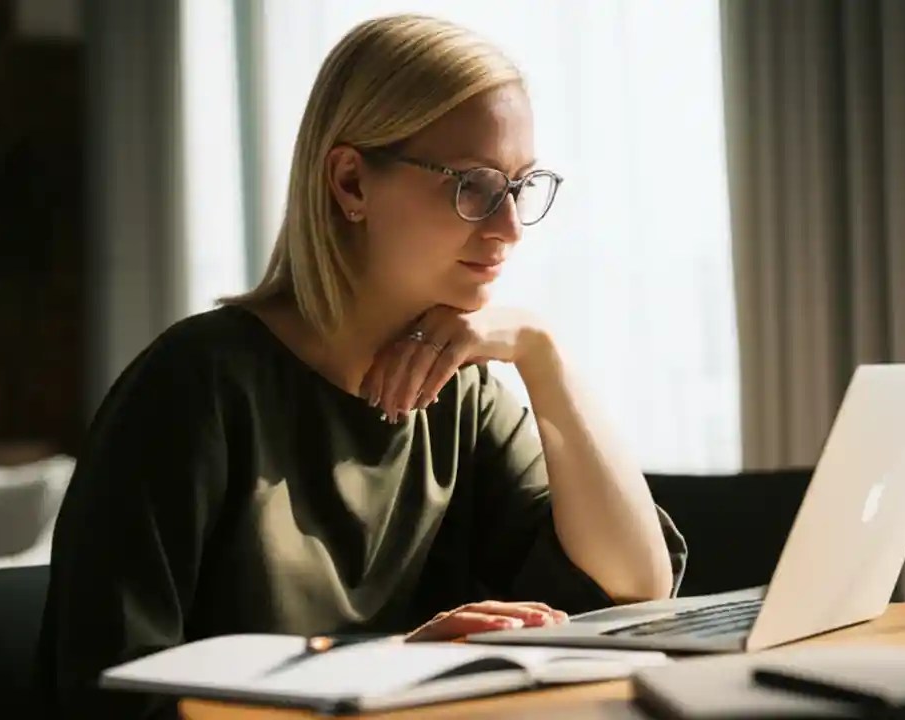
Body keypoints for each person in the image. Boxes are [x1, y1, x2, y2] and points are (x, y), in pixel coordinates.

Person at [33, 13, 687, 719]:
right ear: (350, 183)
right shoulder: (195, 390)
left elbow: (637, 588)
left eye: (521, 185)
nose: (507, 228)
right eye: (473, 185)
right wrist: (388, 670)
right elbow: (108, 694)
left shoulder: (461, 394)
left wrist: (540, 352)